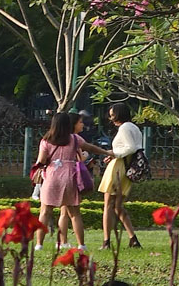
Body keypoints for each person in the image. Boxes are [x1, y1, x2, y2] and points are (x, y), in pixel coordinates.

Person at [33, 111, 112, 251]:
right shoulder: (74, 139)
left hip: (51, 176)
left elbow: (42, 160)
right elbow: (90, 147)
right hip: (69, 176)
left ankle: (39, 244)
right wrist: (106, 152)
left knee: (45, 212)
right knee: (74, 213)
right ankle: (81, 244)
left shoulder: (46, 140)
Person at [99, 102, 143, 249]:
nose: (111, 118)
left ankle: (106, 241)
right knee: (118, 206)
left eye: (113, 115)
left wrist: (113, 153)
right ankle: (133, 238)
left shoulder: (124, 128)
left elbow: (130, 147)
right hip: (127, 165)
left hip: (119, 167)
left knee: (108, 205)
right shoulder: (134, 127)